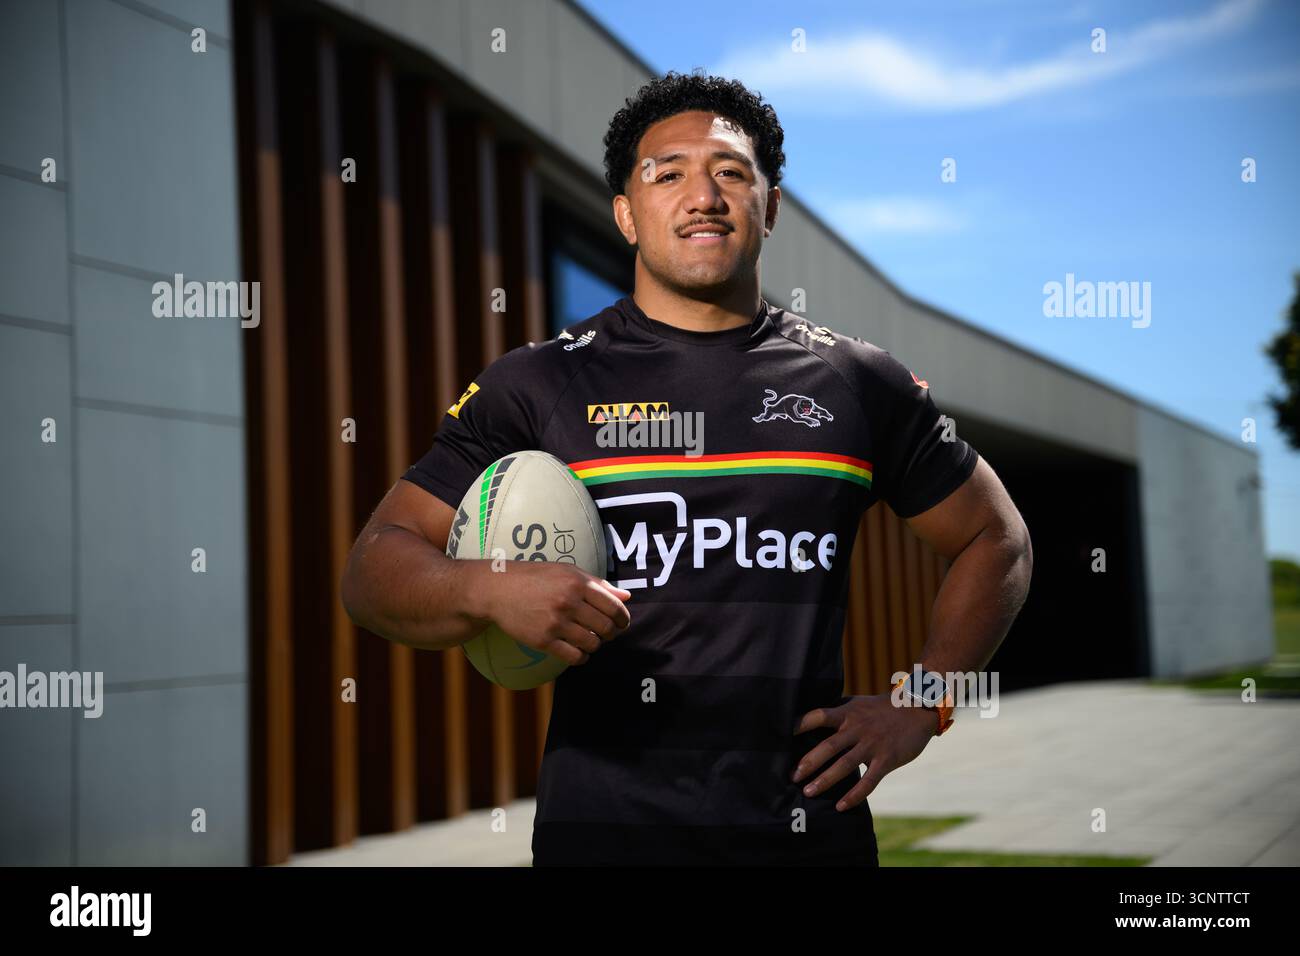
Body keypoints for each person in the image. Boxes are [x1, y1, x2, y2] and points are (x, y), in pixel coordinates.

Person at [341, 71, 1033, 866]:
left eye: (731, 173)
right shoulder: (537, 384)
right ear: (627, 215)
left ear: (769, 207)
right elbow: (374, 567)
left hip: (805, 837)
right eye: (667, 174)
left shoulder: (855, 381)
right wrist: (486, 588)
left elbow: (995, 537)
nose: (702, 196)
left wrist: (925, 704)